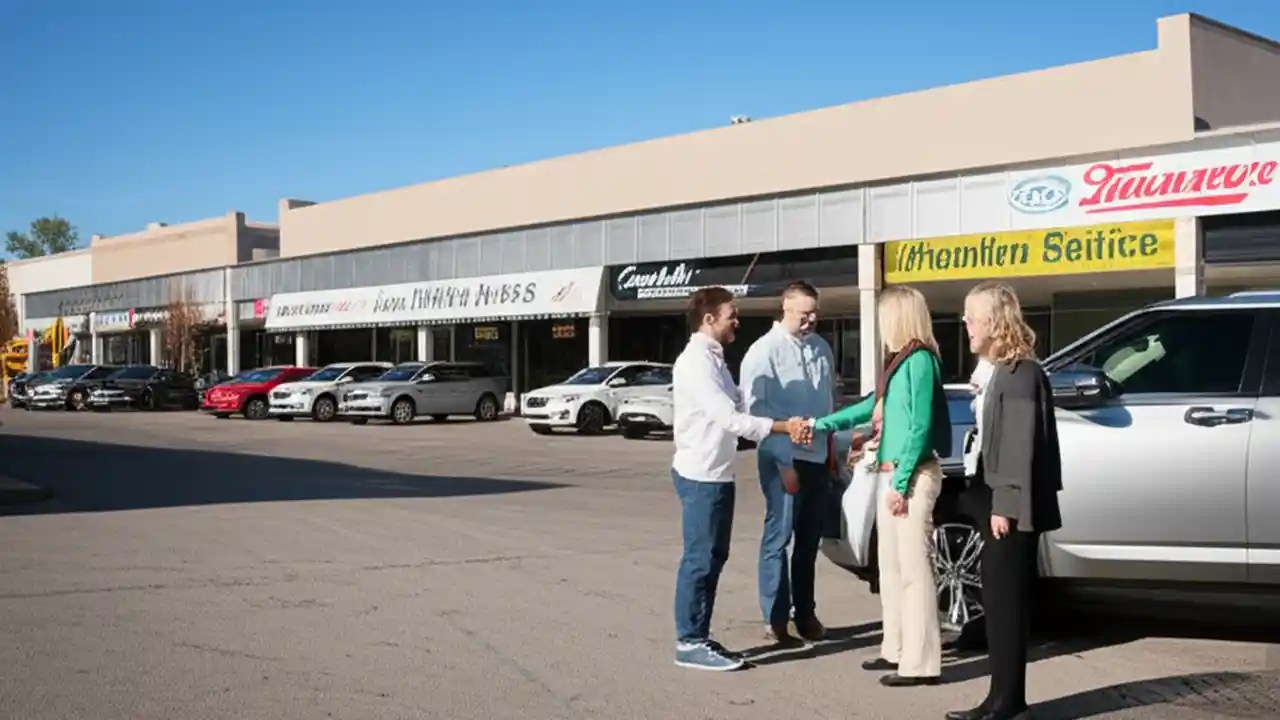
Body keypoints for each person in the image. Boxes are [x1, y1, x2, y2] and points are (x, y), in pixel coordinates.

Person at [793, 285, 951, 687]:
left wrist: (900, 483)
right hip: (894, 473)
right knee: (893, 569)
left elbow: (918, 428)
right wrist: (820, 425)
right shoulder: (899, 363)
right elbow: (869, 407)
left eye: (884, 316)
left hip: (910, 474)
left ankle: (920, 663)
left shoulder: (917, 361)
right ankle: (896, 649)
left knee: (914, 571)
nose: (880, 325)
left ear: (898, 317)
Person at [671, 285, 805, 672]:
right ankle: (689, 640)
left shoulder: (714, 358)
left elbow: (739, 404)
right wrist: (781, 426)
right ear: (709, 318)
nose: (737, 320)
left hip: (717, 474)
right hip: (701, 476)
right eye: (731, 313)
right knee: (700, 561)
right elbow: (729, 419)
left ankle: (697, 634)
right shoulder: (696, 362)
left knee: (713, 558)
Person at [946, 281, 1062, 720]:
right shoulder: (1001, 370)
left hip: (1007, 504)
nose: (965, 323)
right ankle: (1001, 699)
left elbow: (1018, 446)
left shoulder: (1020, 373)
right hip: (995, 495)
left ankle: (1007, 703)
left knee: (1006, 603)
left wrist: (1004, 505)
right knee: (997, 601)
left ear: (994, 322)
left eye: (971, 316)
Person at [739, 281, 837, 644]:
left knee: (809, 540)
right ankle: (775, 617)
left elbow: (828, 403)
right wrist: (783, 462)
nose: (810, 319)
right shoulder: (762, 352)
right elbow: (756, 414)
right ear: (785, 308)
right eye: (803, 313)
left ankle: (805, 612)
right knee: (779, 536)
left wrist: (830, 454)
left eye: (814, 313)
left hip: (816, 456)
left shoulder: (822, 348)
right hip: (783, 456)